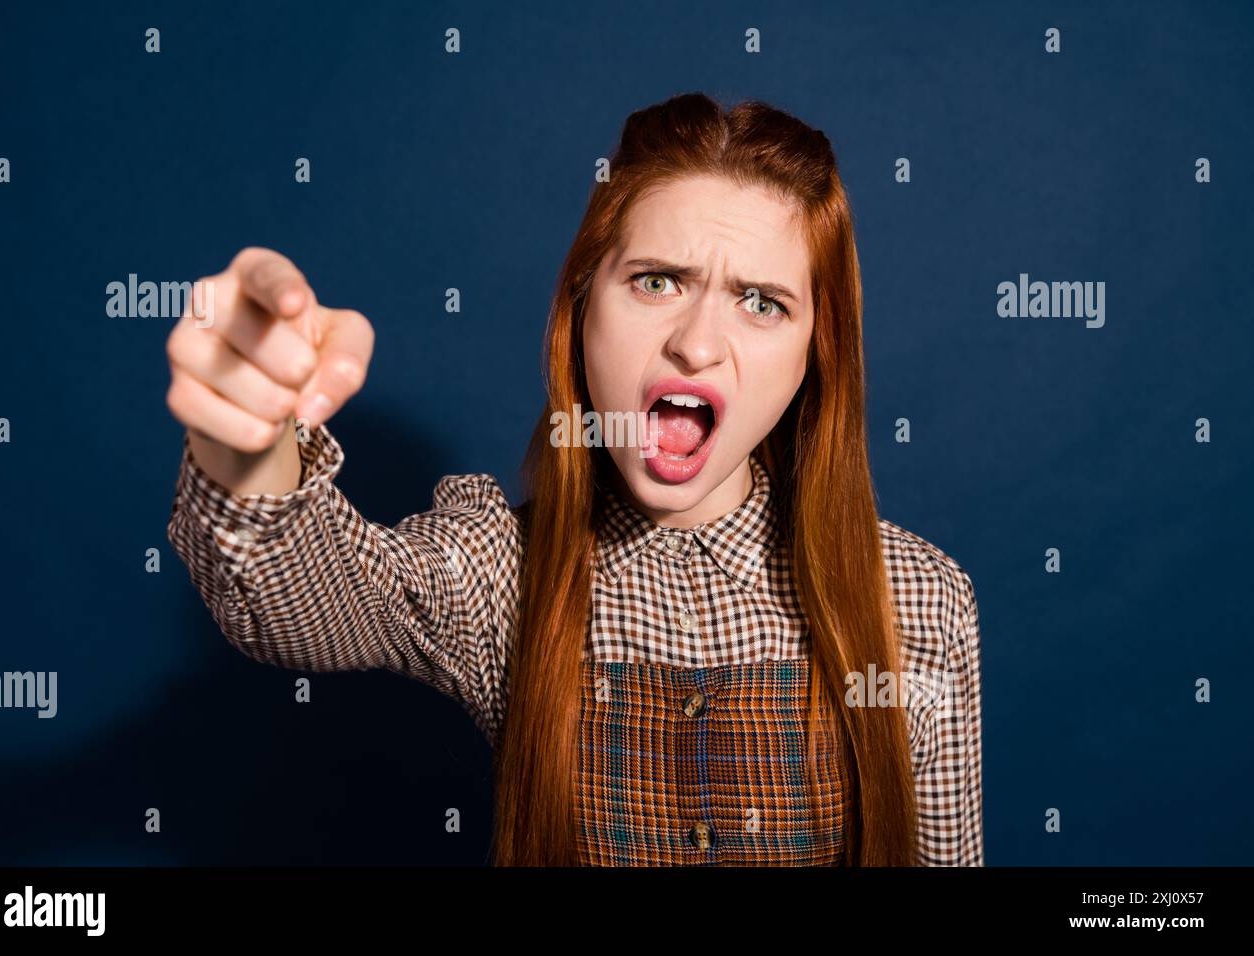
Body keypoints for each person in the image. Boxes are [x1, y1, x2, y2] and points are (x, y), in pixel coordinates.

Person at [165, 92, 982, 866]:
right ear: (582, 309)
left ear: (815, 355)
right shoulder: (499, 572)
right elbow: (291, 606)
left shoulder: (917, 600)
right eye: (657, 281)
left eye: (762, 302)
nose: (697, 344)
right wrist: (248, 433)